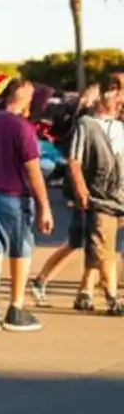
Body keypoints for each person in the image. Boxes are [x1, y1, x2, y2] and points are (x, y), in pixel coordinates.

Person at [0, 79, 54, 332]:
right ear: (23, 99)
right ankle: (15, 309)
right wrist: (45, 206)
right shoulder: (22, 128)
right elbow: (33, 170)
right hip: (13, 196)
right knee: (20, 251)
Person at [31, 83, 101, 308]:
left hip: (105, 191)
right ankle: (42, 280)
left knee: (98, 242)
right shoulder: (86, 123)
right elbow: (75, 162)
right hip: (88, 192)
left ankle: (88, 288)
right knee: (79, 240)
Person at [58, 86, 124, 315]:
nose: (121, 101)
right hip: (100, 198)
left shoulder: (118, 127)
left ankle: (85, 292)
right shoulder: (86, 125)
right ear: (105, 100)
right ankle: (113, 297)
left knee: (101, 247)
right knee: (103, 249)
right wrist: (81, 190)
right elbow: (74, 161)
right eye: (118, 97)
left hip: (119, 199)